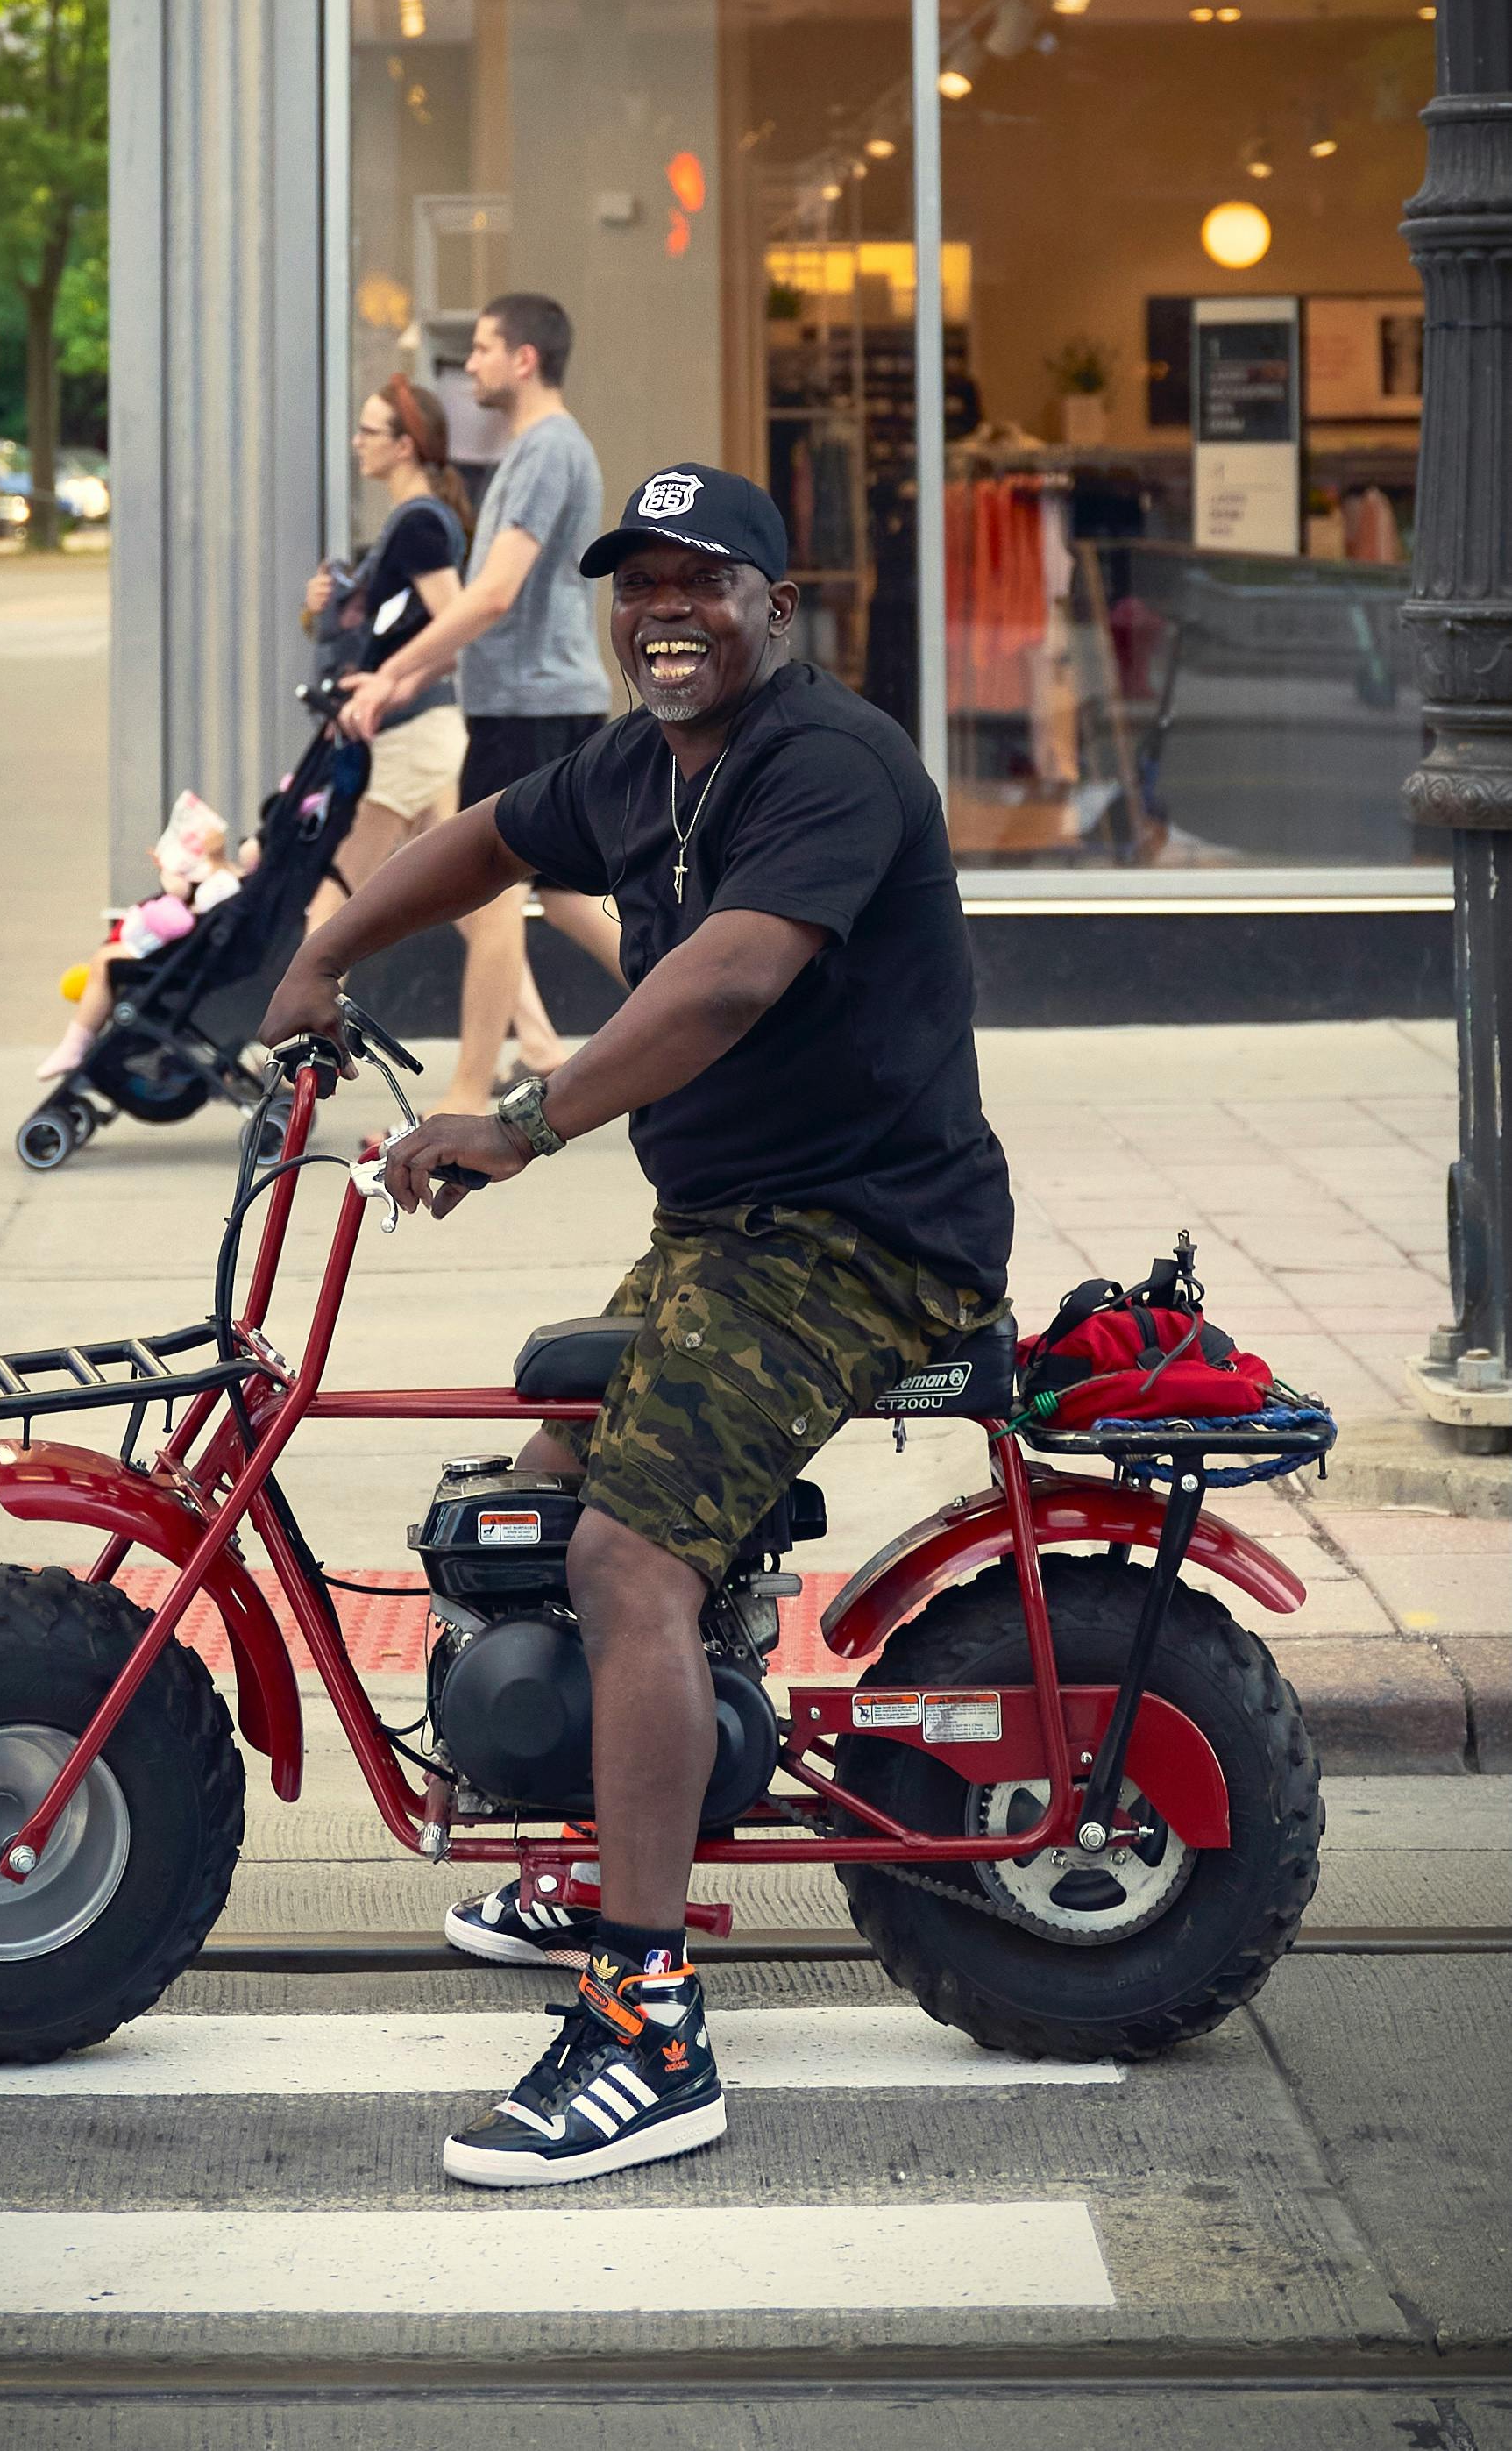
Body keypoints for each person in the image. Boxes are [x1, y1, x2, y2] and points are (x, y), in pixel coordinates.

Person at [261, 461, 1013, 2190]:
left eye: (704, 578)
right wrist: (324, 947)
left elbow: (731, 976)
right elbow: (485, 837)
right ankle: (617, 1834)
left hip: (859, 1236)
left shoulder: (825, 762)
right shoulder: (648, 761)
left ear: (776, 606)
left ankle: (647, 2020)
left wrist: (522, 1123)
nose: (667, 608)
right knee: (533, 1516)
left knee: (623, 1565)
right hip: (728, 1226)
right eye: (641, 583)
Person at [337, 293, 622, 1112]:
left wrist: (396, 676)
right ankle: (712, 1021)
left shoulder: (544, 452)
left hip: (530, 709)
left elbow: (492, 596)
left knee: (492, 888)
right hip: (529, 702)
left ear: (524, 359)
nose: (471, 366)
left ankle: (467, 1090)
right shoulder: (532, 451)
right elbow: (487, 615)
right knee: (562, 894)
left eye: (485, 349)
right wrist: (414, 677)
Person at [302, 378, 472, 920]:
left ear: (404, 446)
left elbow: (457, 626)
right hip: (422, 733)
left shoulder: (419, 523)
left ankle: (306, 1008)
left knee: (329, 907)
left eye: (368, 431)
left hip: (411, 738)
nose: (357, 442)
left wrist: (391, 683)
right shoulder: (412, 520)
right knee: (466, 904)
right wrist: (316, 608)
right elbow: (389, 631)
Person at [37, 791, 244, 1080]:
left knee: (104, 961)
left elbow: (204, 908)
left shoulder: (228, 881)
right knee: (104, 960)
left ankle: (75, 1047)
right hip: (196, 949)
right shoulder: (238, 881)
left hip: (191, 957)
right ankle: (83, 1044)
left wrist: (200, 873)